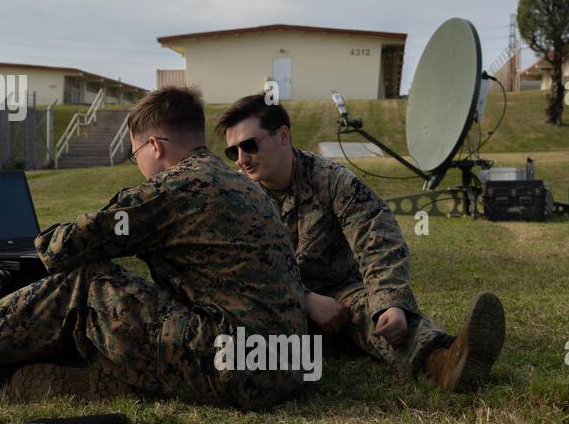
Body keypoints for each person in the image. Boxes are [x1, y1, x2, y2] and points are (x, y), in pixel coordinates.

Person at [0, 85, 311, 407]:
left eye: (136, 155)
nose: (139, 166)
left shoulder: (172, 190)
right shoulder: (245, 185)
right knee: (128, 289)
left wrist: (38, 239)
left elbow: (65, 250)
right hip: (287, 367)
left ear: (154, 145)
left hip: (233, 367)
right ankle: (107, 379)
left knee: (88, 282)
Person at [215, 93, 504, 392]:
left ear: (283, 136)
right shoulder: (239, 199)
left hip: (340, 297)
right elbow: (238, 271)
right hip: (277, 304)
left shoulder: (331, 181)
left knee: (375, 314)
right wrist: (304, 298)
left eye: (249, 145)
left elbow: (377, 239)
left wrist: (390, 303)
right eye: (232, 152)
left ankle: (442, 361)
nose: (241, 159)